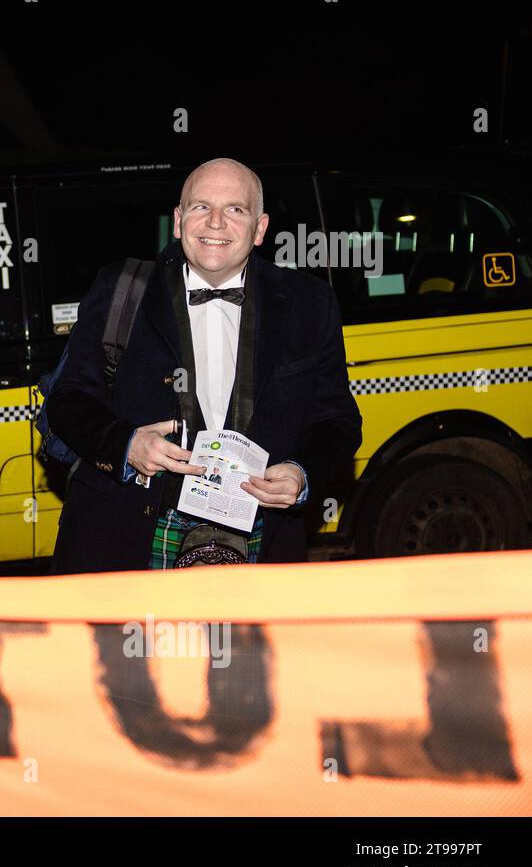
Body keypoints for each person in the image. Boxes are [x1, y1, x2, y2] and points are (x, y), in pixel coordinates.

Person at [48, 158, 362, 572]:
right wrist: (127, 445)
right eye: (200, 207)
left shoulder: (310, 303)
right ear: (178, 221)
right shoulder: (120, 290)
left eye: (235, 209)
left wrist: (301, 473)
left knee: (241, 642)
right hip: (129, 536)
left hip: (260, 537)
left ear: (261, 228)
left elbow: (338, 420)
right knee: (136, 641)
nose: (215, 223)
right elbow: (67, 399)